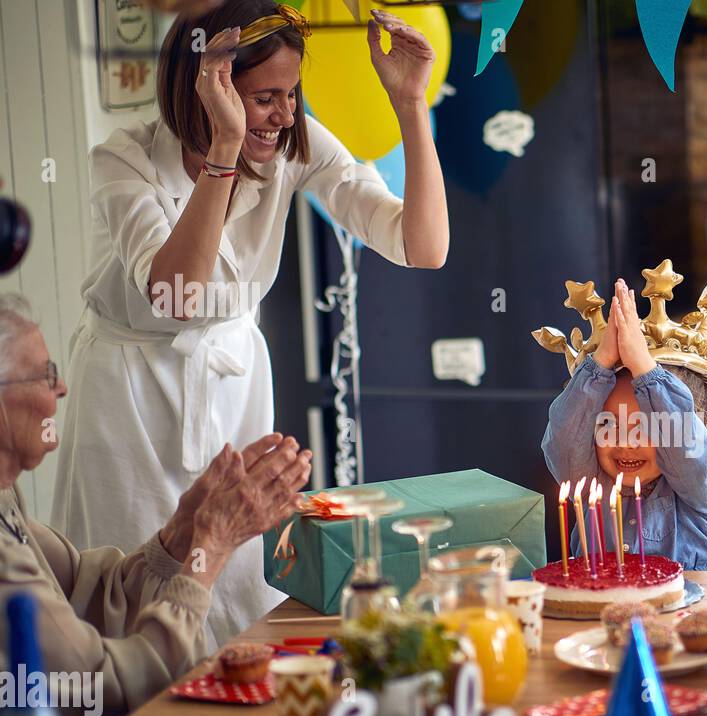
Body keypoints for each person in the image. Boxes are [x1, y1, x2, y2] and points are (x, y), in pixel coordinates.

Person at [51, 2, 450, 646]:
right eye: (265, 97)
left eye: (291, 94)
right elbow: (176, 293)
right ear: (207, 86)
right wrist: (226, 148)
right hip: (128, 402)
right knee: (129, 602)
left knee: (237, 596)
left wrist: (410, 103)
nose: (286, 114)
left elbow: (423, 246)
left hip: (232, 394)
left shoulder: (295, 145)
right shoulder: (123, 161)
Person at [0, 295, 311, 716]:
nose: (63, 387)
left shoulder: (6, 499)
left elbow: (87, 588)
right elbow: (103, 681)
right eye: (46, 375)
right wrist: (213, 545)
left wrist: (181, 534)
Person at [540, 278, 707, 570]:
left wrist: (643, 367)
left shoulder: (696, 487)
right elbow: (565, 435)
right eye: (607, 426)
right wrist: (600, 363)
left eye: (646, 426)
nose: (626, 442)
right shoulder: (589, 484)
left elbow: (682, 441)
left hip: (686, 612)